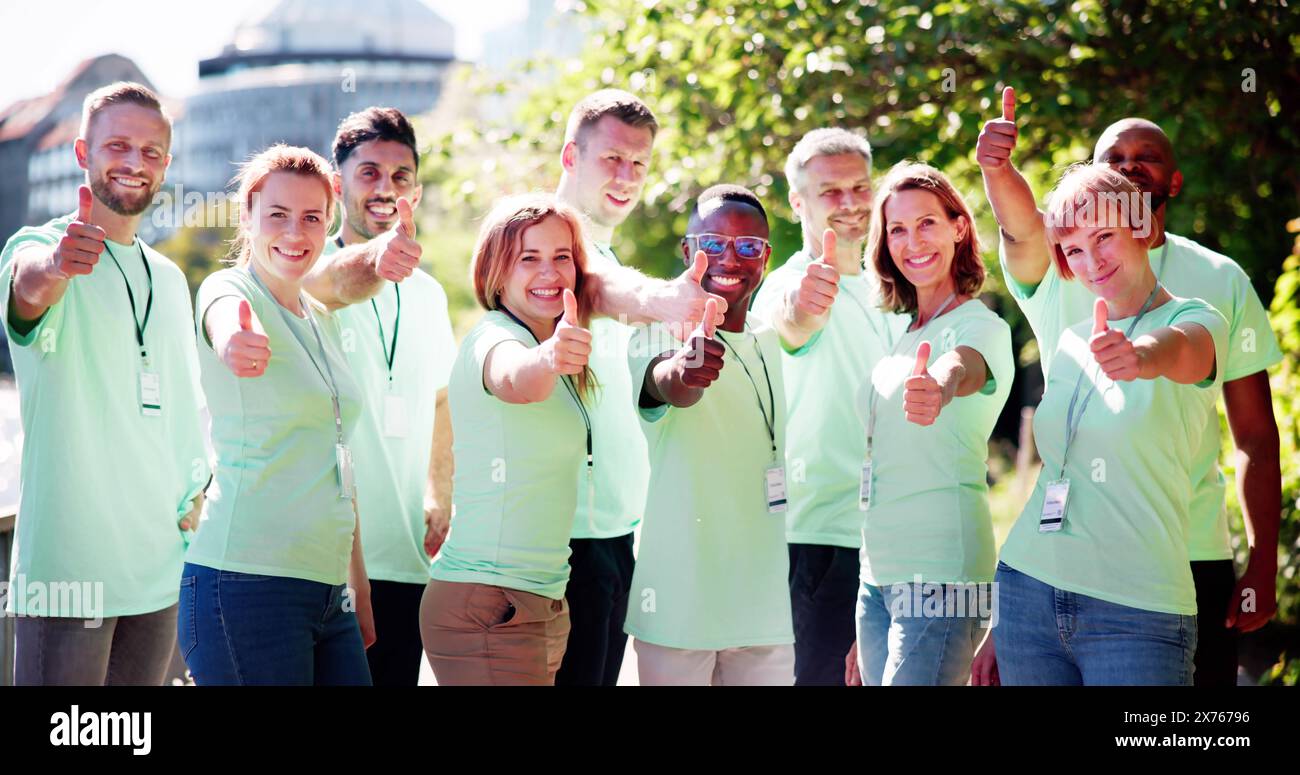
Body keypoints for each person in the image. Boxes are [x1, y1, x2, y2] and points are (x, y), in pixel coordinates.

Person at [975, 87, 1282, 685]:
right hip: (1032, 588)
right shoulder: (1064, 299)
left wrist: (1139, 357)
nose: (1089, 261)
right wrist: (996, 169)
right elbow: (1020, 228)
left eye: (1105, 239)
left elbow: (1186, 354)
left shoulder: (1203, 306)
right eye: (1074, 249)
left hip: (1146, 597)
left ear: (1143, 224)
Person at [0, 82, 209, 685]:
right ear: (81, 153)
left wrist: (198, 485)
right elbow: (28, 292)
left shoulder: (170, 280)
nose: (134, 162)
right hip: (71, 573)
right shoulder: (40, 247)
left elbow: (183, 404)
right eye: (117, 145)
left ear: (166, 164)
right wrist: (59, 266)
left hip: (160, 570)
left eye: (151, 152)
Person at [551, 89, 730, 686]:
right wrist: (662, 299)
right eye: (611, 159)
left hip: (613, 536)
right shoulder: (541, 243)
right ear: (570, 157)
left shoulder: (602, 247)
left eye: (639, 164)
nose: (627, 177)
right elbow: (599, 286)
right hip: (559, 543)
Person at [181, 144, 373, 686]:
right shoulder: (229, 289)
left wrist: (358, 586)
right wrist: (232, 340)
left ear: (329, 222)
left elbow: (339, 461)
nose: (295, 232)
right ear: (247, 217)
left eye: (312, 217)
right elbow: (222, 317)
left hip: (329, 590)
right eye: (278, 216)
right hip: (245, 584)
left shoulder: (322, 320)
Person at [300, 107, 457, 686]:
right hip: (328, 564)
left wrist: (440, 494)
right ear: (338, 183)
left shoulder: (431, 295)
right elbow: (335, 283)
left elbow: (442, 400)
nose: (386, 189)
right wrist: (376, 259)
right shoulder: (306, 276)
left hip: (407, 559)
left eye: (400, 176)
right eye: (369, 173)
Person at [846, 162, 1013, 686]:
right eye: (897, 228)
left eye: (927, 223)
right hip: (878, 573)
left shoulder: (979, 325)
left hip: (940, 572)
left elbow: (962, 366)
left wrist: (939, 386)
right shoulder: (903, 333)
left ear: (958, 227)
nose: (912, 241)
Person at [419, 193, 596, 686]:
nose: (549, 272)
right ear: (497, 272)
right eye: (529, 258)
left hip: (538, 602)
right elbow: (517, 379)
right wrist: (549, 359)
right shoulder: (494, 338)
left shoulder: (552, 340)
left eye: (562, 257)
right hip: (490, 606)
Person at [625, 185, 796, 685]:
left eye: (748, 247)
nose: (730, 257)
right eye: (712, 243)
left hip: (764, 609)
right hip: (679, 605)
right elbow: (667, 385)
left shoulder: (769, 337)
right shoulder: (655, 331)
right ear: (687, 252)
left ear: (765, 258)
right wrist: (687, 369)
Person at [752, 128, 904, 685]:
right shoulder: (782, 288)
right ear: (798, 202)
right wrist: (805, 307)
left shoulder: (894, 287)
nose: (849, 203)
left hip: (895, 539)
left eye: (860, 187)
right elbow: (792, 322)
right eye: (829, 192)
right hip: (819, 539)